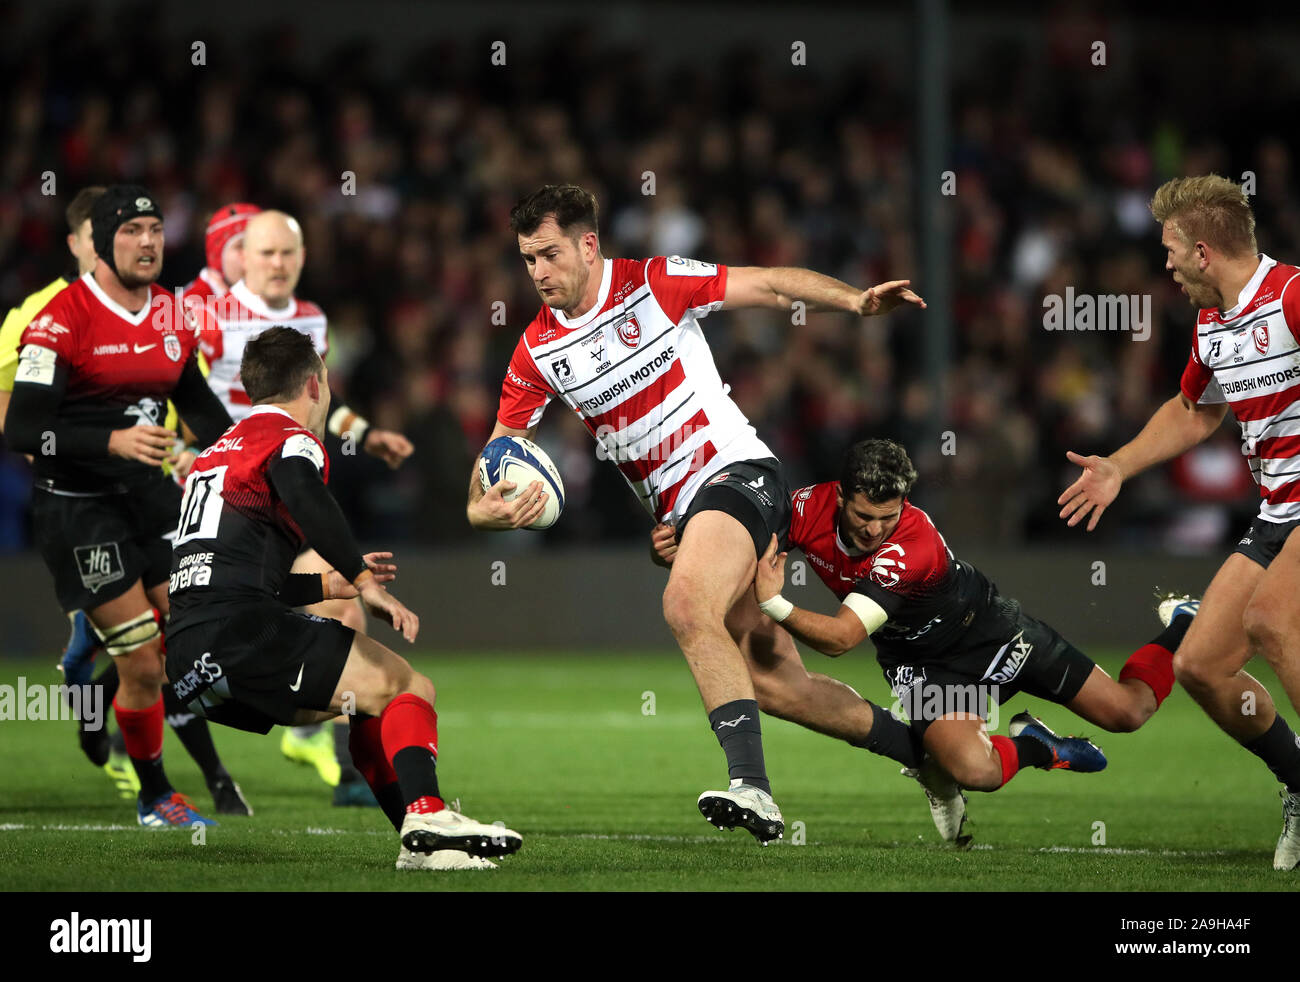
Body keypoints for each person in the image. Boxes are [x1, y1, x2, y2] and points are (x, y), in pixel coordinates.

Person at [468, 183, 925, 843]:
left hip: (740, 476)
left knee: (685, 605)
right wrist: (490, 514)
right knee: (776, 685)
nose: (538, 271)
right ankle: (926, 756)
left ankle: (754, 790)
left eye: (549, 254)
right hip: (686, 521)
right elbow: (490, 469)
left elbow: (768, 284)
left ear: (588, 244)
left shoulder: (656, 283)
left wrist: (852, 300)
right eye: (527, 258)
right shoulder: (537, 352)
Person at [166, 325, 521, 870]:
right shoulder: (289, 441)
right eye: (327, 382)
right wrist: (359, 579)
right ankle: (426, 815)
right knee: (408, 685)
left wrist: (320, 586)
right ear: (313, 385)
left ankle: (421, 845)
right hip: (239, 637)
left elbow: (225, 574)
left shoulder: (216, 455)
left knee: (363, 701)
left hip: (191, 660)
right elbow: (307, 494)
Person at [750, 439, 1196, 833]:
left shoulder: (911, 545)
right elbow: (743, 532)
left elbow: (841, 639)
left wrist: (774, 603)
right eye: (865, 516)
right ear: (840, 494)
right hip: (924, 667)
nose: (874, 530)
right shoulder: (805, 508)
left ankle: (1181, 623)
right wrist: (681, 540)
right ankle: (1037, 747)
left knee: (1129, 712)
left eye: (887, 517)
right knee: (973, 770)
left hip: (992, 631)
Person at [1058, 174, 1300, 869]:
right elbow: (1196, 410)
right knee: (1200, 664)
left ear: (1202, 251)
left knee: (1272, 620)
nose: (1164, 265)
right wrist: (1120, 467)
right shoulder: (1214, 323)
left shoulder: (1290, 296)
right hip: (1277, 513)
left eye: (1168, 250)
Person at [5, 184, 240, 827]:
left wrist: (245, 454)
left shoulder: (169, 311)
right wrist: (110, 438)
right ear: (103, 241)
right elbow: (23, 431)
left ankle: (96, 687)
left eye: (156, 230)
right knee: (140, 656)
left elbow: (196, 404)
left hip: (151, 496)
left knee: (189, 634)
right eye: (133, 230)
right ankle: (155, 795)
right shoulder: (59, 320)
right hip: (79, 509)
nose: (148, 242)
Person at [187, 209, 414, 805]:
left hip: (277, 492)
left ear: (303, 256)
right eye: (266, 254)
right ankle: (121, 706)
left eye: (288, 254)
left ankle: (344, 767)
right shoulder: (208, 316)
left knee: (341, 607)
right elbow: (180, 390)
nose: (278, 265)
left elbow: (317, 402)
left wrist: (364, 434)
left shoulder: (311, 318)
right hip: (221, 497)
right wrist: (188, 453)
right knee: (172, 626)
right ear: (242, 255)